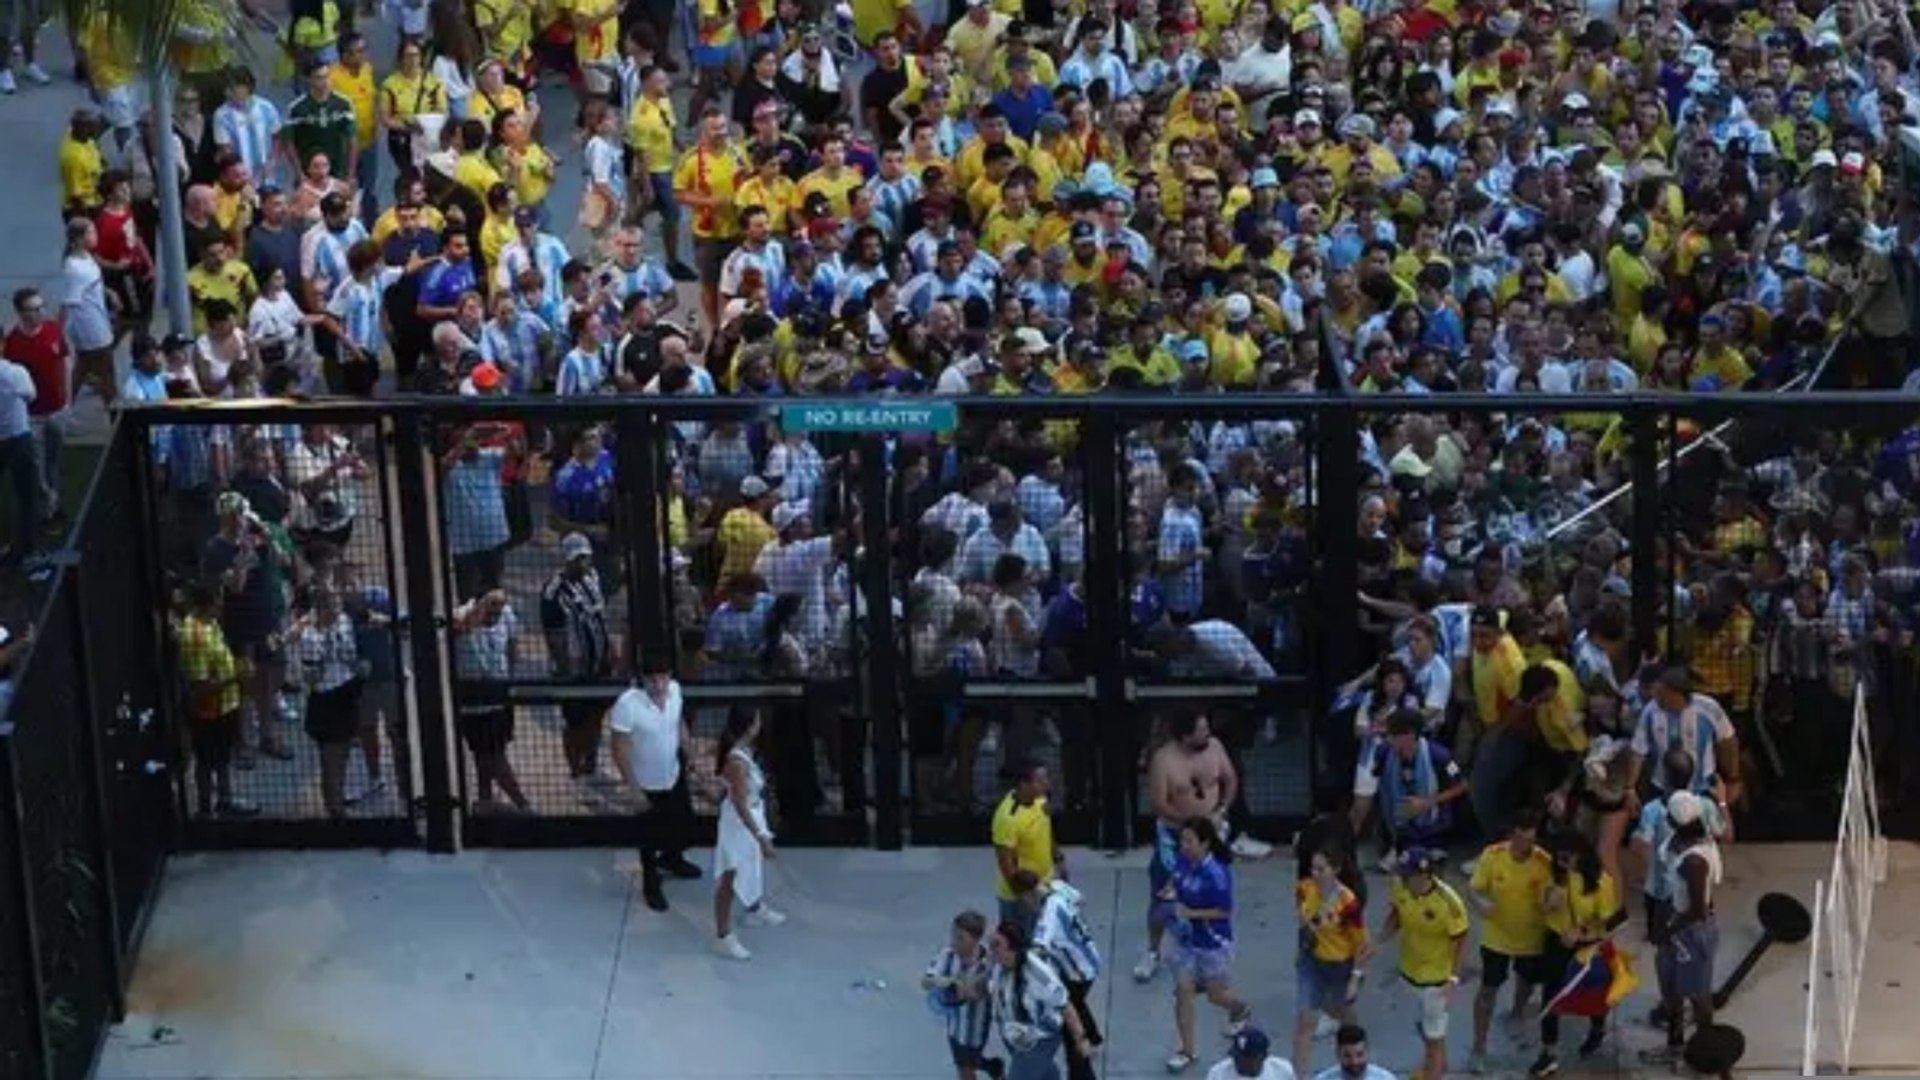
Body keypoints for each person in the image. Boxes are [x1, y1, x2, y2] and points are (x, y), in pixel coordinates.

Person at [1140, 707, 1236, 983]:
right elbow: (1160, 803)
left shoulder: (1215, 747)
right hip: (1175, 837)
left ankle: (1210, 951)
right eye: (1201, 731)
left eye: (1207, 728)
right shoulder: (1163, 760)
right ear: (1184, 736)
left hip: (1212, 834)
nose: (1207, 734)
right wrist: (1191, 824)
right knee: (1162, 895)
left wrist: (1221, 811)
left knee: (1212, 892)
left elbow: (1230, 780)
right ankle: (1152, 952)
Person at [608, 654, 703, 913]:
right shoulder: (627, 704)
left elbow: (679, 724)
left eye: (663, 678)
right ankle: (651, 884)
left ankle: (673, 858)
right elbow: (619, 748)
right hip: (646, 783)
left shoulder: (675, 691)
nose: (659, 685)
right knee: (648, 837)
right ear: (643, 679)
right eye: (652, 680)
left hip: (673, 774)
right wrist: (634, 788)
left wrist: (690, 755)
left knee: (682, 823)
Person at [1365, 849, 1469, 1080]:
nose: (1401, 878)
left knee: (1433, 1038)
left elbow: (1460, 941)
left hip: (1437, 981)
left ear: (1423, 875)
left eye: (1407, 874)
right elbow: (1397, 915)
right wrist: (1380, 940)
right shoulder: (1401, 887)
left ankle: (1435, 1069)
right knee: (1425, 1030)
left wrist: (1454, 979)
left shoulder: (1449, 903)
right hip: (1409, 973)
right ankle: (1438, 1063)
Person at [1532, 830, 1626, 1077]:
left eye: (1567, 857)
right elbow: (1541, 907)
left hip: (1586, 944)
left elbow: (1608, 922)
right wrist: (1547, 902)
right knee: (1551, 995)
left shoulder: (1601, 882)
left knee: (1592, 993)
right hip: (1556, 941)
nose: (1562, 862)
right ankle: (1548, 1050)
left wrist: (1581, 933)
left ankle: (1597, 1029)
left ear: (1581, 855)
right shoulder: (1552, 874)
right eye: (1559, 858)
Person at [1163, 815, 1253, 1073]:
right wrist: (1169, 891)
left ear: (1205, 844)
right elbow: (1175, 878)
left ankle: (1239, 1008)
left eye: (1190, 841)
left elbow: (1223, 912)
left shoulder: (1217, 874)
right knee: (1183, 992)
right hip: (1187, 941)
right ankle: (1187, 1051)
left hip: (1214, 943)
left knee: (1216, 995)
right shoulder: (1183, 859)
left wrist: (1190, 913)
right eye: (1182, 840)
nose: (1184, 846)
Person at [1468, 809, 1553, 1073]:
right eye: (1520, 840)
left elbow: (1553, 896)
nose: (1525, 847)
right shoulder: (1492, 856)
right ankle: (1479, 1047)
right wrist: (1481, 904)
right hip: (1497, 937)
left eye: (1530, 841)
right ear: (1511, 835)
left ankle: (1517, 1011)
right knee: (1487, 991)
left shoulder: (1544, 861)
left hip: (1532, 938)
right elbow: (1474, 890)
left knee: (1526, 982)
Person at [1645, 790, 1722, 1068]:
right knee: (1670, 989)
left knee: (1699, 996)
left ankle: (1706, 1050)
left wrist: (1668, 930)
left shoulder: (1695, 861)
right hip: (1671, 923)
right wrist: (1658, 924)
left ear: (1678, 821)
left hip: (1692, 933)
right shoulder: (1677, 839)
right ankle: (1675, 1043)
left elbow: (1698, 909)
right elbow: (1668, 889)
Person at [175, 582, 259, 818]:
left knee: (221, 758)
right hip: (208, 711)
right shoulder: (194, 636)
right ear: (208, 604)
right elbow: (199, 688)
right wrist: (236, 676)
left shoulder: (211, 623)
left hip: (225, 706)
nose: (222, 604)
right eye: (218, 600)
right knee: (206, 761)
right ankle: (204, 811)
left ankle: (225, 800)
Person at [1015, 870, 1102, 1080]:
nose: (1025, 907)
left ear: (1028, 894)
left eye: (1022, 901)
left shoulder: (1048, 913)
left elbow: (1038, 948)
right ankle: (1093, 1036)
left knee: (1069, 1024)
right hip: (1090, 957)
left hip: (1077, 971)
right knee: (1078, 1005)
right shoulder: (1057, 887)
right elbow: (1081, 899)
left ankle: (1082, 1070)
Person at [712, 705, 782, 959]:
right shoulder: (737, 762)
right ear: (751, 725)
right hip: (738, 825)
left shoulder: (745, 753)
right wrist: (760, 835)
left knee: (751, 867)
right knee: (729, 878)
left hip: (751, 816)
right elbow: (740, 805)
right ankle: (723, 935)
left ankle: (754, 908)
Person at [541, 532, 612, 783]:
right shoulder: (554, 591)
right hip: (573, 669)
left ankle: (591, 764)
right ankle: (575, 772)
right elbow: (554, 636)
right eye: (577, 559)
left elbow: (601, 618)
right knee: (575, 723)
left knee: (597, 716)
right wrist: (566, 673)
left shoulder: (593, 577)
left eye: (585, 558)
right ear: (566, 560)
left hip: (599, 663)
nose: (582, 563)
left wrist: (609, 652)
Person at [290, 585, 363, 820]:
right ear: (320, 608)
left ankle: (337, 801)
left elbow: (350, 654)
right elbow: (311, 678)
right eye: (332, 604)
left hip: (348, 692)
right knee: (330, 757)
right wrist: (322, 661)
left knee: (342, 754)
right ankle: (335, 811)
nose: (337, 607)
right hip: (327, 699)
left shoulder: (344, 621)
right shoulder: (311, 636)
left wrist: (356, 668)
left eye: (337, 602)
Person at [987, 920, 1094, 1080]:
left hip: (1040, 1039)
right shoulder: (998, 964)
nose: (991, 949)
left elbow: (1065, 1006)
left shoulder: (1040, 976)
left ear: (1013, 948)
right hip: (1015, 1036)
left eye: (996, 945)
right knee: (1042, 1072)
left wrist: (1081, 1039)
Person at [1292, 847, 1365, 1075]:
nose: (1315, 873)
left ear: (1336, 869)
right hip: (1312, 963)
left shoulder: (1348, 902)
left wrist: (1355, 978)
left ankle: (1353, 1070)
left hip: (1341, 966)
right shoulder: (1304, 889)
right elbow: (1302, 917)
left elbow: (1362, 944)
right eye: (1313, 868)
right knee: (1305, 1022)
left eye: (1321, 869)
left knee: (1349, 1028)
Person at [1368, 709, 1467, 868]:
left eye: (1394, 735)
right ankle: (1397, 845)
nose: (1389, 739)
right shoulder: (1384, 752)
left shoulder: (1439, 755)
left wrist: (1427, 802)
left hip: (1433, 822)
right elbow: (1380, 783)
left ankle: (1432, 847)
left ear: (1410, 735)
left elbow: (1462, 785)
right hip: (1399, 818)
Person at [924, 909, 1002, 1080]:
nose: (954, 941)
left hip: (976, 1030)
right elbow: (926, 981)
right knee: (964, 1066)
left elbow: (980, 992)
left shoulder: (989, 963)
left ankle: (993, 1067)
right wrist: (944, 982)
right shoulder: (947, 955)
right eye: (953, 935)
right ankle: (993, 1067)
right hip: (954, 1029)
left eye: (960, 937)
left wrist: (966, 987)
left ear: (976, 940)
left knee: (966, 1068)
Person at [991, 758, 1057, 931]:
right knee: (1022, 949)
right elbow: (1005, 863)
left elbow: (1046, 828)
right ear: (1024, 784)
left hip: (1044, 885)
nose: (1046, 784)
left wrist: (1058, 857)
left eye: (1046, 779)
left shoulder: (1040, 799)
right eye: (1040, 781)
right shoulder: (1008, 818)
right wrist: (1024, 897)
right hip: (1020, 896)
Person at [1309, 1026, 1396, 1080]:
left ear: (1367, 1052)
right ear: (1337, 1054)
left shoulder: (1385, 1078)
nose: (1354, 1062)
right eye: (1347, 1056)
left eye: (1360, 1055)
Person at [1207, 1027, 1295, 1080]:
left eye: (1244, 1059)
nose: (1236, 1061)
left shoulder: (1282, 1071)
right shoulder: (1218, 1073)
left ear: (1262, 1057)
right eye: (1236, 1056)